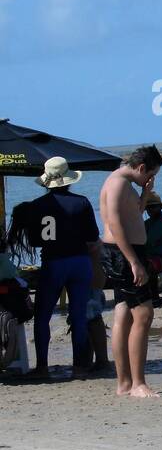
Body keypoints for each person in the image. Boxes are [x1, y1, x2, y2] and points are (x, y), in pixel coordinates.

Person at [9, 158, 101, 378]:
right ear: (69, 179)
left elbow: (35, 242)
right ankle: (79, 367)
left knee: (43, 316)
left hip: (53, 263)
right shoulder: (82, 202)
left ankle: (42, 367)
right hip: (80, 262)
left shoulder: (37, 206)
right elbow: (92, 237)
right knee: (78, 315)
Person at [100, 145, 162, 398]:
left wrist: (145, 195)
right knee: (144, 314)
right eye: (150, 174)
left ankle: (125, 383)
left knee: (124, 312)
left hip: (124, 252)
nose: (149, 179)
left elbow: (132, 215)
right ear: (140, 168)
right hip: (123, 253)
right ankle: (137, 383)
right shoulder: (117, 183)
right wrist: (134, 262)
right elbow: (115, 223)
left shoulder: (124, 182)